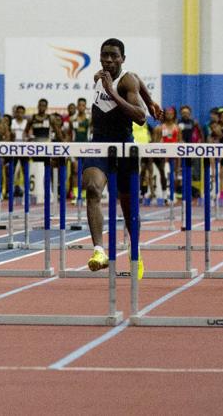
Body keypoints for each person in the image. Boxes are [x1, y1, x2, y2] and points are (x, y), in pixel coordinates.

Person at [83, 38, 147, 278]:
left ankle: (136, 251)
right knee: (92, 188)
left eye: (113, 56)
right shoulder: (99, 76)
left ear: (123, 59)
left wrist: (112, 92)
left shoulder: (125, 80)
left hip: (123, 146)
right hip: (98, 144)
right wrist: (152, 100)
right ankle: (99, 250)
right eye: (104, 55)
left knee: (128, 205)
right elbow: (144, 88)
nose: (108, 60)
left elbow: (141, 117)